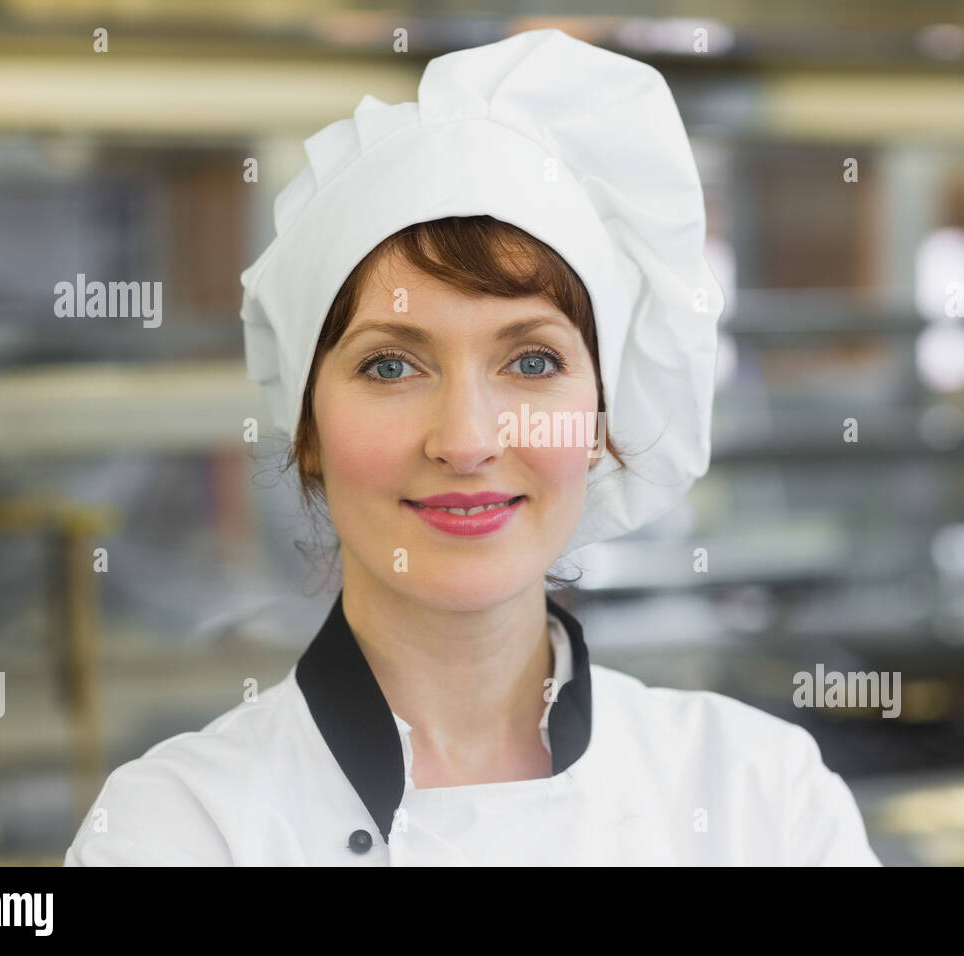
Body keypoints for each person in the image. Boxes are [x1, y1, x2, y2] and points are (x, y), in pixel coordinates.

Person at [64, 27, 881, 866]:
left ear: (602, 423)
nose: (467, 440)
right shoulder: (179, 831)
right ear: (307, 430)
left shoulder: (761, 800)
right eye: (391, 364)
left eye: (532, 361)